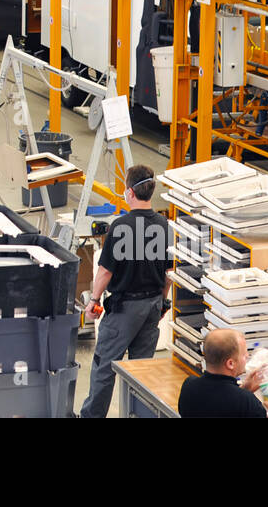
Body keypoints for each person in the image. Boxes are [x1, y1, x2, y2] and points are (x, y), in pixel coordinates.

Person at [80, 164, 171, 418]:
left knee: (104, 367)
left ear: (130, 193)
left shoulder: (120, 227)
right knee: (142, 372)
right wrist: (162, 303)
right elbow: (168, 273)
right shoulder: (165, 225)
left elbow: (105, 272)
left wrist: (94, 300)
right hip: (152, 306)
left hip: (123, 310)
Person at [178, 328, 268, 418]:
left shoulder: (189, 386)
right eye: (244, 354)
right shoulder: (248, 403)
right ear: (230, 363)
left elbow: (217, 403)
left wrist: (243, 390)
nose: (247, 357)